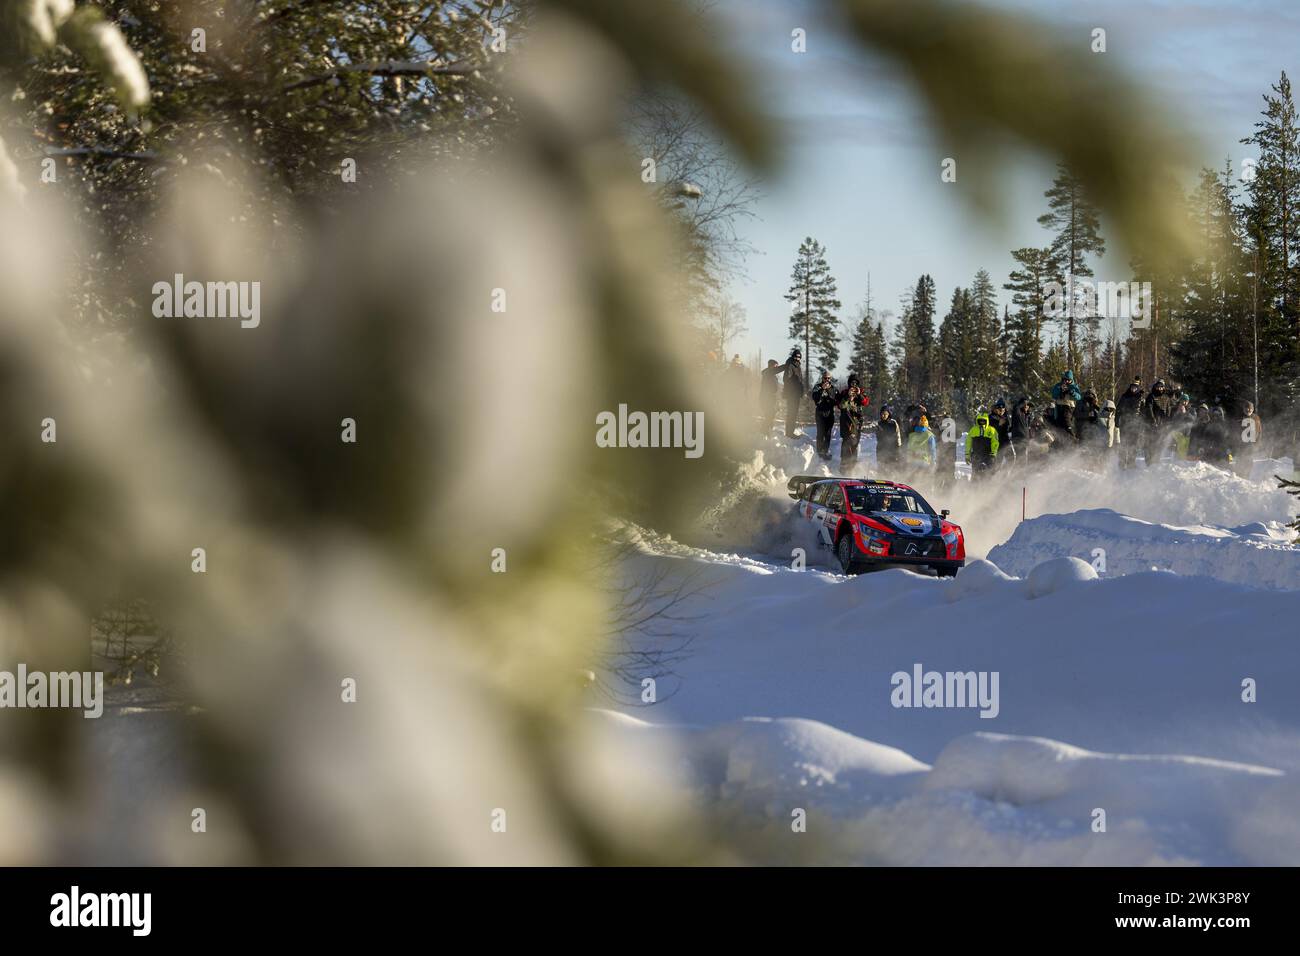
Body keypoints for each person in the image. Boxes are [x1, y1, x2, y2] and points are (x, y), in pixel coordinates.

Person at [837, 376, 870, 472]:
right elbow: (840, 405)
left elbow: (865, 402)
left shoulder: (861, 392)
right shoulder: (844, 392)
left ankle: (852, 464)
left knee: (855, 442)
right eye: (852, 383)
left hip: (857, 421)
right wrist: (848, 396)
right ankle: (844, 464)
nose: (853, 385)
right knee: (846, 441)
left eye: (855, 383)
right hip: (846, 420)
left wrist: (859, 394)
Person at [1143, 378, 1176, 465]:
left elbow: (1169, 409)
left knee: (1159, 443)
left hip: (1162, 425)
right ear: (1155, 387)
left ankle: (1156, 460)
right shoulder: (1151, 396)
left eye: (1162, 387)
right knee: (1151, 443)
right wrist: (1152, 420)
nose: (1160, 388)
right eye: (1158, 386)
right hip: (1152, 424)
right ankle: (1149, 461)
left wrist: (1168, 420)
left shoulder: (1166, 397)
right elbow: (1148, 409)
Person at [1115, 377, 1144, 469]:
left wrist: (1142, 423)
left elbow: (1144, 411)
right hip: (1125, 423)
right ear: (1130, 387)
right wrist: (1117, 422)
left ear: (1138, 388)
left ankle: (1131, 462)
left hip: (1136, 424)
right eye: (1132, 387)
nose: (1133, 389)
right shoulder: (1124, 396)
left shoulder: (1141, 398)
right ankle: (1122, 462)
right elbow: (1118, 409)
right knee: (1124, 443)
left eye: (1136, 387)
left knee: (1134, 444)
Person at [810, 370, 838, 461]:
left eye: (828, 378)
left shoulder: (834, 389)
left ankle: (825, 451)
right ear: (822, 378)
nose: (827, 380)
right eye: (825, 378)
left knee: (828, 433)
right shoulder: (817, 387)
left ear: (830, 379)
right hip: (820, 413)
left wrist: (829, 393)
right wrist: (822, 389)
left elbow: (837, 401)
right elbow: (815, 399)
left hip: (830, 413)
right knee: (820, 433)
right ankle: (819, 451)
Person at [965, 411, 1000, 480]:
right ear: (977, 421)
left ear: (987, 421)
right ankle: (974, 487)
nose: (981, 422)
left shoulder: (992, 430)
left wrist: (993, 454)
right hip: (976, 455)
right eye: (980, 421)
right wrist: (967, 455)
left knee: (989, 474)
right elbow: (968, 443)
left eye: (983, 421)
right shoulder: (973, 430)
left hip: (988, 455)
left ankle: (989, 487)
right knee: (975, 473)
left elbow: (995, 443)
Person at [1050, 370, 1082, 442]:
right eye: (1065, 379)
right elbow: (1053, 395)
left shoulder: (1074, 387)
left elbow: (1079, 397)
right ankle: (1061, 443)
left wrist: (1072, 392)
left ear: (1071, 380)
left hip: (1069, 408)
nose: (1066, 381)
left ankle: (1074, 440)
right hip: (1059, 408)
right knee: (1059, 426)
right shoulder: (1058, 385)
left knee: (1067, 424)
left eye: (1068, 380)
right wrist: (1060, 390)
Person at [781, 348, 805, 438]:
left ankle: (791, 432)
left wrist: (801, 391)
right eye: (796, 356)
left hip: (796, 394)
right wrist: (794, 385)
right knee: (791, 413)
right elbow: (786, 379)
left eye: (799, 357)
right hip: (791, 393)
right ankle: (789, 433)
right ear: (793, 356)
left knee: (794, 413)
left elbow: (800, 380)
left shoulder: (797, 366)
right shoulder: (790, 365)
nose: (797, 358)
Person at [989, 399, 1014, 468]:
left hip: (1006, 441)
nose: (1001, 409)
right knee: (997, 462)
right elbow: (989, 430)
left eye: (1003, 407)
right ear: (995, 408)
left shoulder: (1005, 417)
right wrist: (998, 425)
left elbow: (1008, 429)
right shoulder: (991, 417)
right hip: (997, 443)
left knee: (1012, 458)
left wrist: (1012, 429)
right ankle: (995, 476)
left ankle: (1005, 475)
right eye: (999, 408)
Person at [759, 359, 782, 435]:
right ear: (772, 366)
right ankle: (764, 431)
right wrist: (787, 365)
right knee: (769, 415)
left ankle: (767, 431)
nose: (777, 367)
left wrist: (777, 402)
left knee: (770, 416)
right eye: (776, 365)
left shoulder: (772, 374)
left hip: (772, 399)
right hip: (767, 399)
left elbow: (776, 389)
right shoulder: (768, 373)